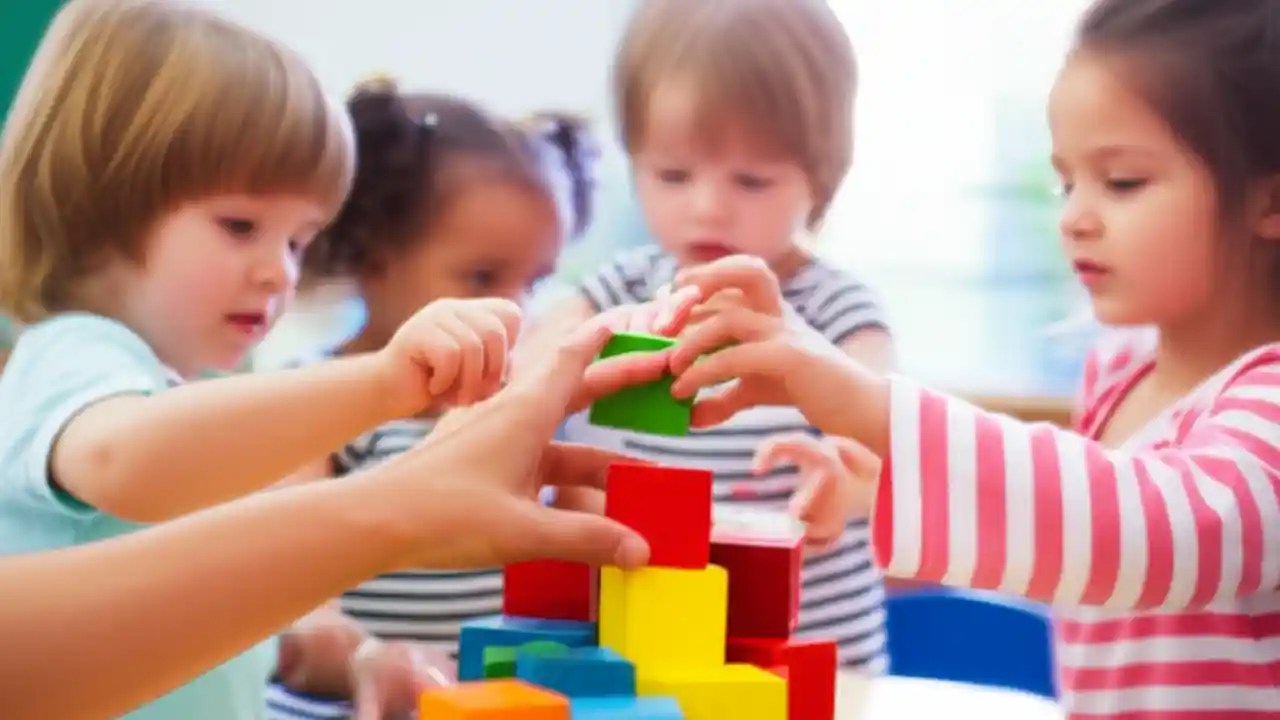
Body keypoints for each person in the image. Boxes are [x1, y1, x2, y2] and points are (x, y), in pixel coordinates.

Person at [667, 0, 1280, 715]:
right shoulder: (1120, 374)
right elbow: (1074, 548)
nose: (1075, 215)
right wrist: (885, 484)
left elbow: (1151, 536)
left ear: (1270, 198)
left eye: (1122, 182)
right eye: (1065, 181)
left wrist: (868, 405)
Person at [0, 315, 671, 720]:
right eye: (239, 224)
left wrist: (363, 656)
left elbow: (205, 629)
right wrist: (385, 385)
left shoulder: (209, 379)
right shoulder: (74, 347)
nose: (278, 272)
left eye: (299, 238)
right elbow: (122, 461)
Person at [529, 0, 895, 671]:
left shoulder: (835, 309)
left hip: (809, 654)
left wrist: (848, 482)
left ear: (822, 178)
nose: (707, 207)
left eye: (752, 180)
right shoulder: (618, 290)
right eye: (672, 174)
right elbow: (536, 367)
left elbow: (890, 430)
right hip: (650, 643)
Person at [265, 80, 601, 719]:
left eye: (535, 282)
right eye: (482, 277)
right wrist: (364, 663)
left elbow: (595, 548)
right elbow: (286, 583)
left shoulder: (527, 404)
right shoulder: (313, 400)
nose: (514, 310)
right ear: (375, 259)